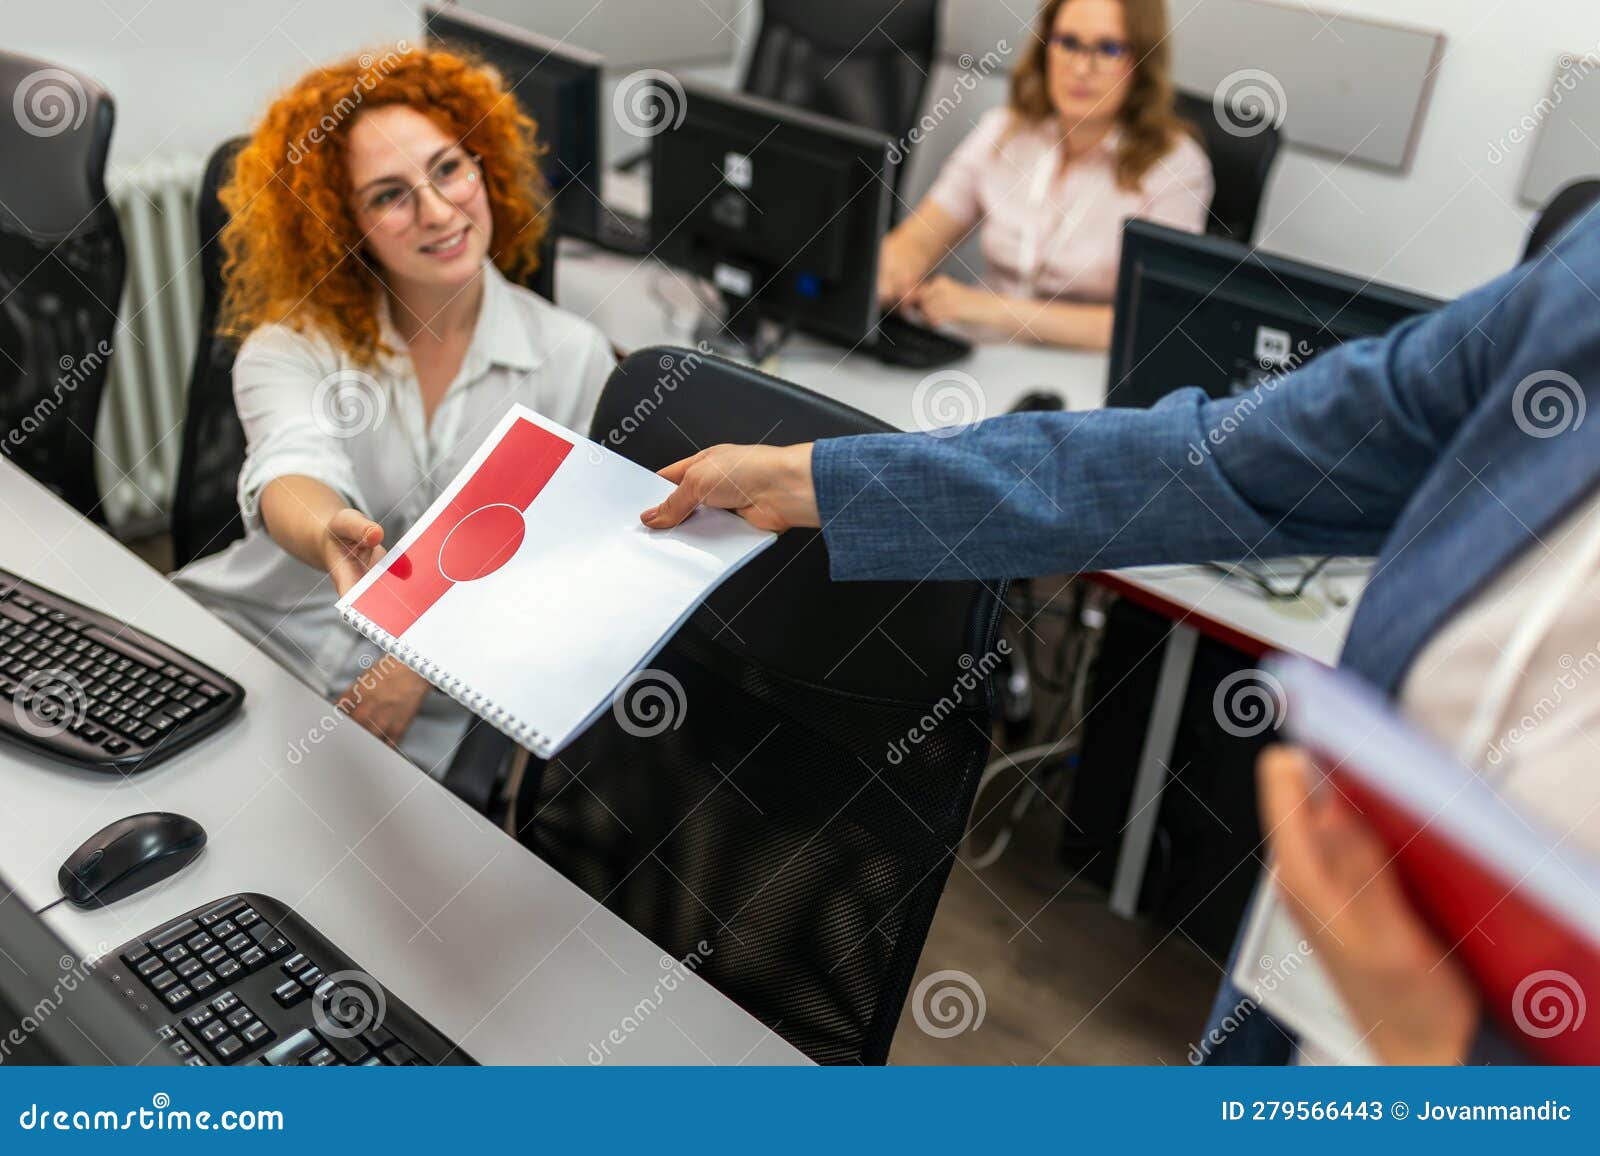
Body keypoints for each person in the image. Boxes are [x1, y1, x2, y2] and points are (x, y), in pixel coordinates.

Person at [639, 205, 1600, 1064]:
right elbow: (1204, 463)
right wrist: (814, 482)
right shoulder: (1580, 284)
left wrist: (1461, 1064)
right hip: (1306, 999)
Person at [175, 47, 616, 777]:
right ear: (340, 225)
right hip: (253, 640)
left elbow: (560, 567)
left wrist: (422, 659)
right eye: (389, 195)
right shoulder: (291, 346)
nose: (439, 211)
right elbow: (289, 466)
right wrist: (327, 533)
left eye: (449, 168)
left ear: (486, 168)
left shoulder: (572, 359)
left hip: (438, 711)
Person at [877, 0, 1213, 349]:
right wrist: (894, 271)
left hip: (1081, 373)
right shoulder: (1004, 130)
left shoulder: (1176, 165)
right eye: (1067, 42)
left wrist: (989, 310)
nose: (1081, 67)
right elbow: (920, 236)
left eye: (1108, 48)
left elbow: (1152, 322)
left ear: (1142, 61)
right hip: (982, 356)